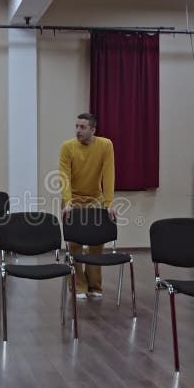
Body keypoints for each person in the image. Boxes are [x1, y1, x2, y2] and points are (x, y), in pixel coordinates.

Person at [59, 113, 115, 299]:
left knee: (96, 243)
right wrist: (67, 202)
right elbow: (64, 176)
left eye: (82, 127)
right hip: (73, 199)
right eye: (76, 126)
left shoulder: (105, 145)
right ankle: (78, 286)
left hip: (94, 198)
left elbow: (108, 174)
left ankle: (94, 286)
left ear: (93, 130)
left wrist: (109, 203)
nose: (78, 130)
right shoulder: (67, 147)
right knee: (75, 244)